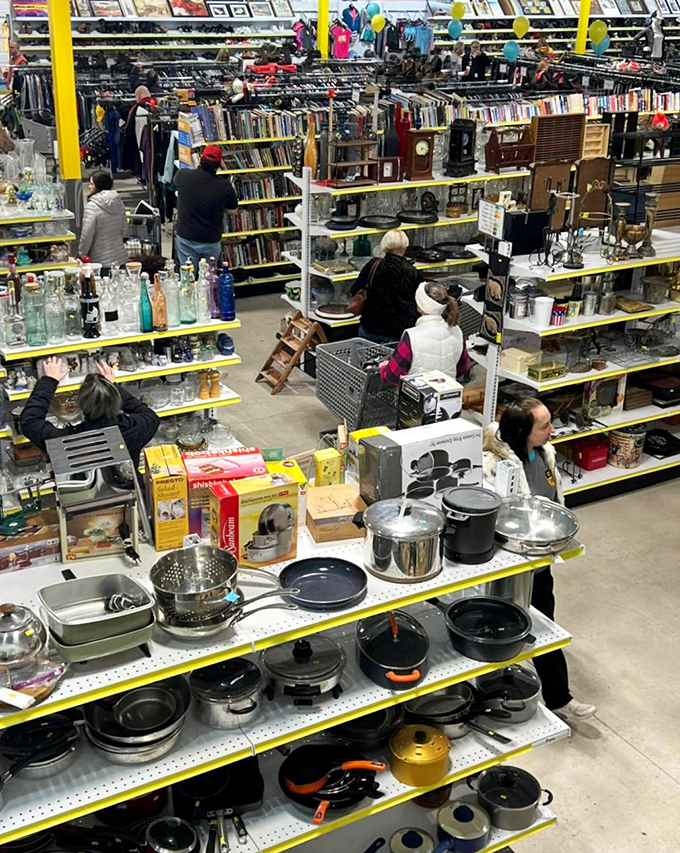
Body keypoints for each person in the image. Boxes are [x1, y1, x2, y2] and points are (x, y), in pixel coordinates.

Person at [482, 397, 596, 724]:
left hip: (540, 557)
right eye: (544, 425)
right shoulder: (493, 463)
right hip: (506, 565)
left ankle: (559, 698)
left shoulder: (544, 452)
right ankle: (493, 695)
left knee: (545, 624)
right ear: (522, 432)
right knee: (497, 626)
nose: (552, 430)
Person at [20, 358, 160, 470]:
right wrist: (111, 387)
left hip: (81, 499)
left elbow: (29, 420)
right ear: (116, 400)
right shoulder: (135, 428)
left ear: (80, 404)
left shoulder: (65, 440)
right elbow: (148, 414)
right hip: (126, 492)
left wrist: (49, 380)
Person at [379, 281, 470, 385]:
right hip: (449, 394)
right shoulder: (456, 330)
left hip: (417, 396)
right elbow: (463, 367)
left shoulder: (411, 336)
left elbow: (392, 377)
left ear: (420, 307)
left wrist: (383, 368)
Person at [349, 230, 424, 344]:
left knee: (364, 360)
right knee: (391, 362)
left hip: (371, 326)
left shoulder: (374, 265)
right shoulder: (412, 272)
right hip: (398, 332)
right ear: (405, 246)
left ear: (384, 245)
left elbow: (355, 289)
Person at [174, 145, 239, 273]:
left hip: (187, 236)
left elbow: (177, 185)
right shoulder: (224, 186)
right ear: (219, 165)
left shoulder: (183, 175)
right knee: (209, 280)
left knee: (188, 277)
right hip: (211, 239)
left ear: (200, 159)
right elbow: (233, 210)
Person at [78, 171, 128, 274]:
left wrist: (81, 254)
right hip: (120, 258)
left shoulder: (92, 206)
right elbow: (124, 230)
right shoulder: (118, 202)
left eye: (92, 184)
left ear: (99, 186)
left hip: (100, 261)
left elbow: (87, 236)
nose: (89, 187)